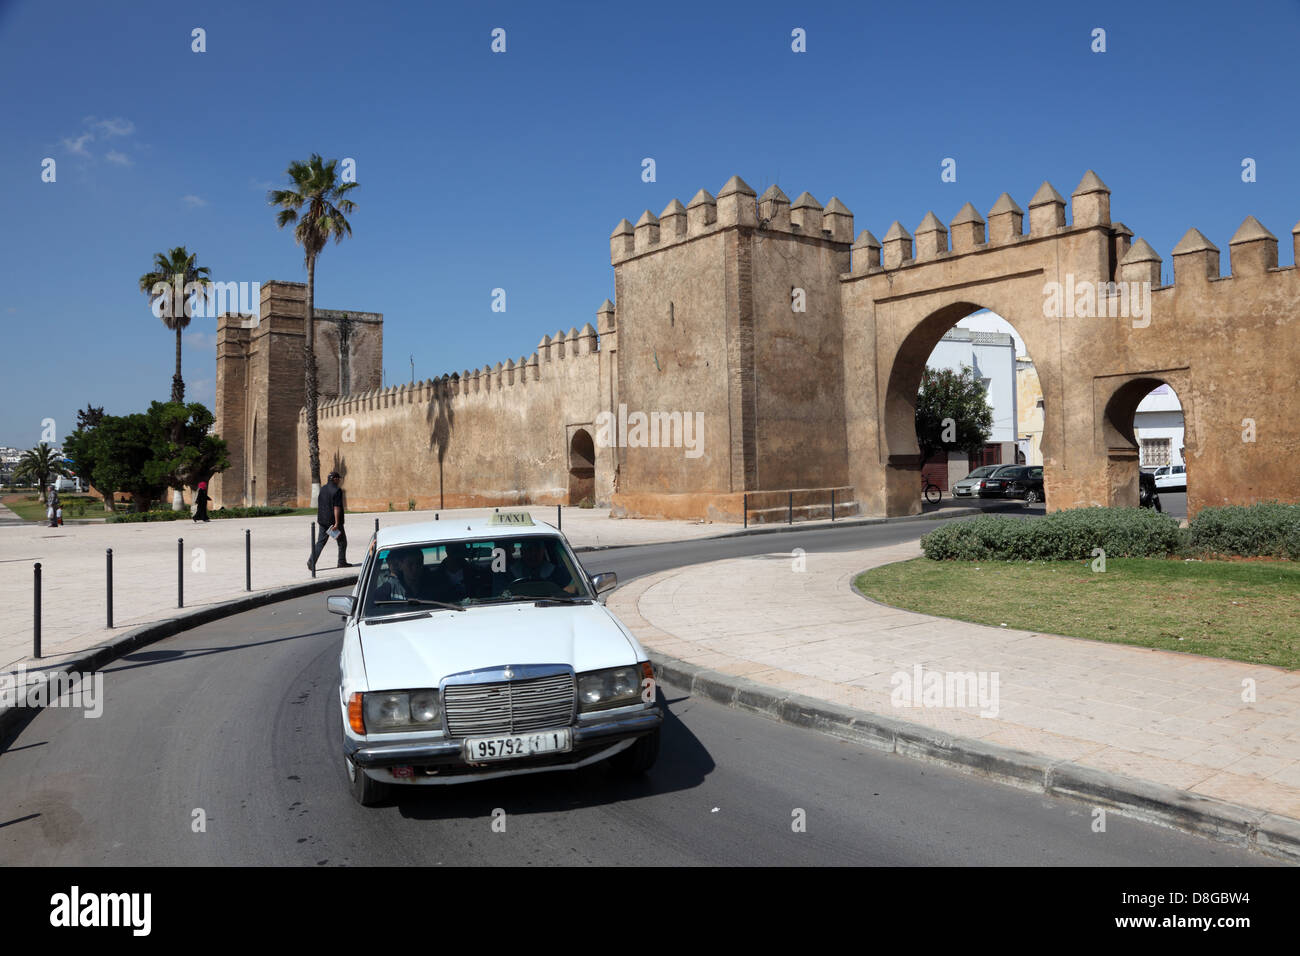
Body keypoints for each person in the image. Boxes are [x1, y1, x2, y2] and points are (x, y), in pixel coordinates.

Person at [308, 471, 350, 571]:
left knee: (320, 542)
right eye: (338, 478)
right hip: (333, 523)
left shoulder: (323, 489)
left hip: (322, 521)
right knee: (342, 542)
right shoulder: (337, 490)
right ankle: (341, 561)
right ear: (334, 479)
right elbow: (336, 507)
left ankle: (311, 561)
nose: (339, 480)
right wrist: (336, 523)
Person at [508, 538, 576, 594]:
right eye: (529, 549)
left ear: (543, 551)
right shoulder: (508, 574)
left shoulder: (559, 574)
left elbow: (572, 591)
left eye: (537, 549)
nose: (533, 554)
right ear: (522, 551)